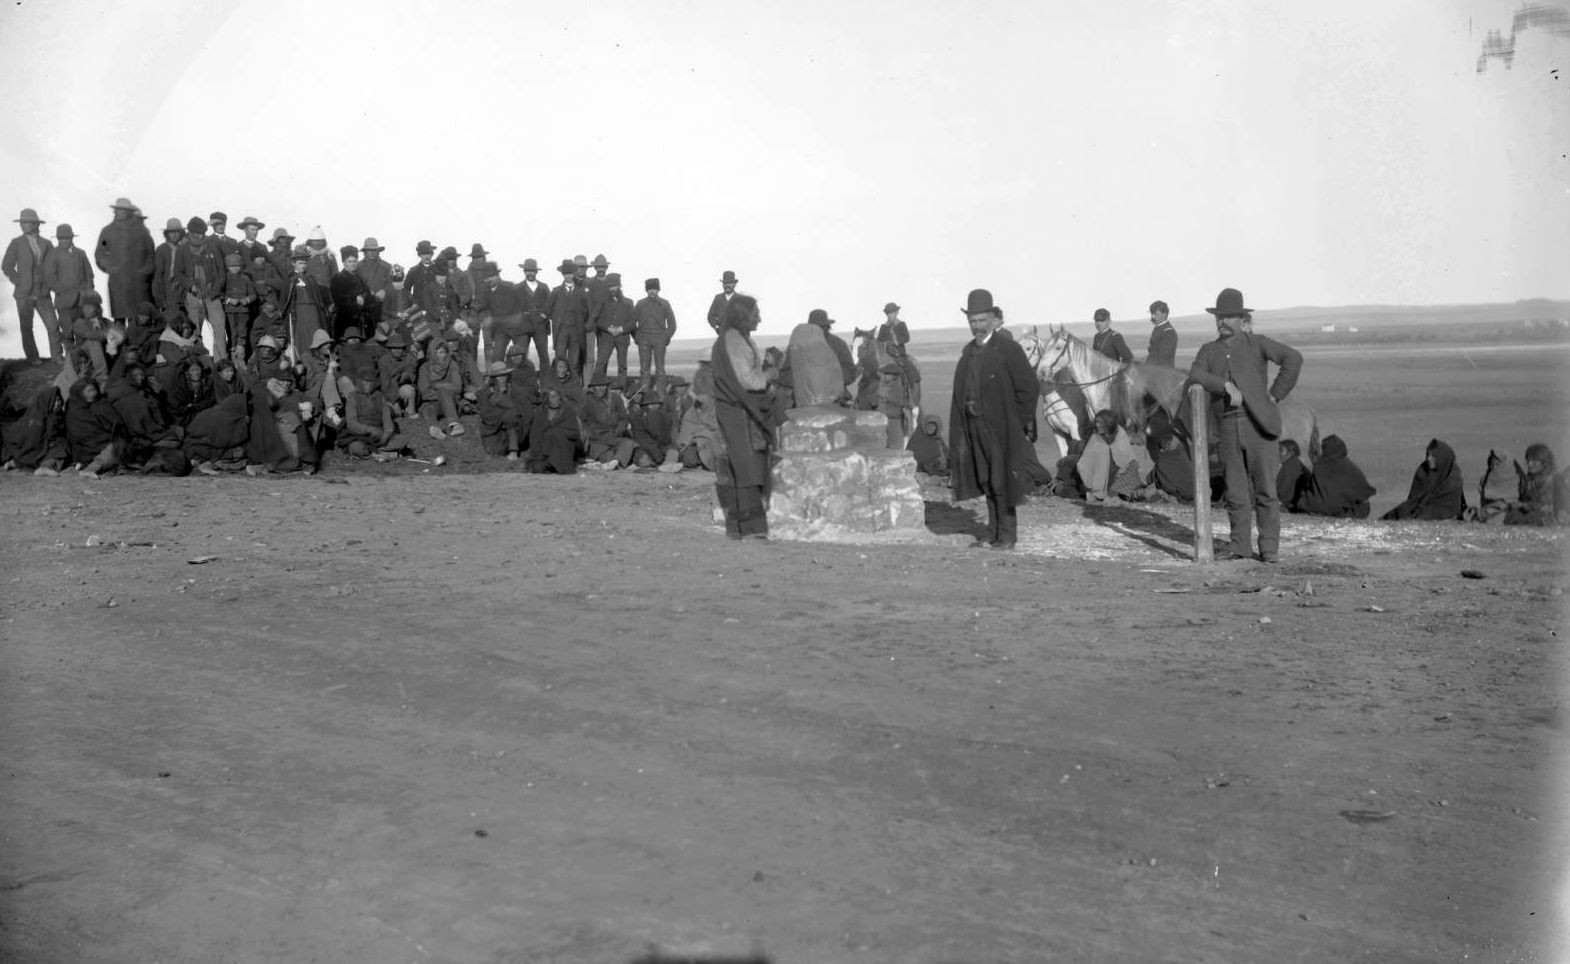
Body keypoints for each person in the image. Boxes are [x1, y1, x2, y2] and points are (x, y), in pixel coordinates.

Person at [1185, 287, 1303, 562]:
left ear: (1241, 319)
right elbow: (1195, 374)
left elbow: (1293, 359)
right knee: (1235, 491)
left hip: (1259, 426)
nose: (1222, 322)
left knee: (1266, 490)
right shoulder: (1209, 350)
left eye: (1228, 317)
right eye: (1219, 317)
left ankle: (1269, 549)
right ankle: (1240, 546)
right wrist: (1223, 384)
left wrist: (1275, 394)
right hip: (1226, 428)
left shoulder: (1256, 343)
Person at [949, 289, 1040, 549]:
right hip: (974, 426)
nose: (977, 326)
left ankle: (1008, 535)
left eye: (981, 320)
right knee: (987, 478)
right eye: (972, 321)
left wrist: (1015, 422)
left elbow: (1028, 388)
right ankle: (992, 532)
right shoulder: (969, 352)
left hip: (1000, 429)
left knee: (1003, 480)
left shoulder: (1008, 349)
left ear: (992, 318)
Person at [711, 293, 780, 539]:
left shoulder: (736, 338)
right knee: (748, 466)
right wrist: (770, 376)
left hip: (738, 412)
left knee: (743, 467)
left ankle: (739, 528)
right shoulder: (735, 341)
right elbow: (748, 380)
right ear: (743, 316)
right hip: (739, 413)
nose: (759, 319)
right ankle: (752, 528)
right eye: (755, 314)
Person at [4, 207, 60, 364]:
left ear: (35, 224)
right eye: (22, 222)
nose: (23, 225)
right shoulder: (16, 243)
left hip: (43, 291)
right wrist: (18, 281)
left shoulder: (47, 244)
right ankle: (33, 358)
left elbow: (53, 268)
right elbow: (6, 266)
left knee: (53, 325)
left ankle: (57, 357)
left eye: (27, 222)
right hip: (23, 293)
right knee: (26, 327)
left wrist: (48, 286)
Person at [173, 215, 230, 359]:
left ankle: (221, 360)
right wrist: (190, 286)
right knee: (194, 329)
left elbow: (221, 271)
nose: (198, 237)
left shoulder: (212, 246)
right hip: (193, 295)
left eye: (201, 234)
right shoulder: (182, 249)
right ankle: (199, 360)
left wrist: (216, 290)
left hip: (212, 294)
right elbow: (178, 273)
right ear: (189, 233)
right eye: (195, 234)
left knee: (219, 326)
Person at [94, 196, 155, 323]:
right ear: (115, 211)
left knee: (139, 322)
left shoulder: (142, 232)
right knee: (119, 322)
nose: (121, 212)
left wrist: (144, 272)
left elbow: (151, 254)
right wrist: (109, 267)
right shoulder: (107, 232)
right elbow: (100, 253)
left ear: (129, 212)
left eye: (124, 210)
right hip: (118, 283)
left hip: (138, 285)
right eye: (119, 210)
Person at [1381, 439, 1467, 521]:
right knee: (1398, 512)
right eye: (1428, 455)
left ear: (1442, 458)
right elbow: (1413, 501)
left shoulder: (1452, 478)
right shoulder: (1423, 472)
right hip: (1419, 509)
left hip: (1440, 512)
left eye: (1433, 456)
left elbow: (1449, 507)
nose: (1429, 459)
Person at [1295, 434, 1376, 518]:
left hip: (1353, 510)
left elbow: (1330, 499)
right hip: (1354, 509)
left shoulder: (1327, 466)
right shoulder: (1345, 464)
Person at [42, 223, 95, 341]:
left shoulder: (81, 253)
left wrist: (88, 291)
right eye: (61, 239)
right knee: (67, 332)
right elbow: (49, 277)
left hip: (82, 301)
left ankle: (84, 358)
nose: (64, 241)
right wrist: (62, 290)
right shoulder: (53, 254)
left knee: (83, 331)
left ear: (72, 238)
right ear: (57, 239)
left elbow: (89, 274)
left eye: (66, 238)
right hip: (64, 302)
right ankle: (70, 358)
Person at [1, 386, 69, 475]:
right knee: (60, 450)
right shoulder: (39, 417)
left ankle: (15, 463)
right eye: (55, 401)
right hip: (36, 446)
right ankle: (46, 467)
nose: (58, 403)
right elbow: (39, 436)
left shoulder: (54, 414)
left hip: (36, 448)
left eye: (59, 400)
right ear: (47, 402)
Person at [338, 373, 400, 460]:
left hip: (379, 435)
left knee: (401, 440)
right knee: (356, 447)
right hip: (360, 436)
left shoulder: (380, 396)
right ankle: (382, 454)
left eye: (370, 382)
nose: (368, 385)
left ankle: (378, 452)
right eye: (365, 382)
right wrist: (369, 430)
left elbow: (388, 423)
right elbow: (352, 424)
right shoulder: (353, 396)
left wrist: (384, 438)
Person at [547, 259, 591, 378]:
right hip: (561, 330)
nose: (569, 276)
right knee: (560, 360)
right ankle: (558, 386)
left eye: (571, 273)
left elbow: (586, 311)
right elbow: (548, 310)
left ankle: (574, 387)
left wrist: (580, 321)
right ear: (563, 275)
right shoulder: (556, 292)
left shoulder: (581, 292)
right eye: (566, 274)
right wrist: (558, 318)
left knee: (574, 361)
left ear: (574, 274)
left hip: (576, 331)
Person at [475, 361, 528, 460]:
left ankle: (513, 451)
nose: (502, 379)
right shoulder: (484, 392)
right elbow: (486, 415)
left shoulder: (513, 389)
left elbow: (518, 409)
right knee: (494, 450)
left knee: (512, 415)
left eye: (504, 376)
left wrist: (501, 399)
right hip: (492, 429)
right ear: (493, 378)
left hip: (513, 427)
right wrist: (504, 412)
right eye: (498, 376)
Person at [1505, 443, 1566, 526]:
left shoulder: (1556, 479)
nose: (1529, 464)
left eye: (1534, 461)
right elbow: (1522, 501)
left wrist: (1526, 506)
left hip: (1549, 516)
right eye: (1528, 460)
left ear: (1544, 462)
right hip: (1529, 514)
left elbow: (1561, 505)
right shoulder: (1526, 480)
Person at [418, 338, 467, 440]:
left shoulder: (452, 365)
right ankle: (435, 429)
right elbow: (424, 392)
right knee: (428, 409)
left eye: (444, 352)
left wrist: (437, 387)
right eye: (439, 353)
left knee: (443, 391)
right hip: (434, 402)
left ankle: (455, 424)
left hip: (451, 402)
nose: (443, 356)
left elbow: (457, 388)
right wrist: (442, 391)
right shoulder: (425, 368)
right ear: (433, 353)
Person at [591, 273, 635, 382]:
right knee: (600, 364)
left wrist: (621, 329)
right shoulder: (601, 302)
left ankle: (621, 389)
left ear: (619, 286)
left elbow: (632, 322)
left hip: (622, 338)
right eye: (610, 286)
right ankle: (596, 387)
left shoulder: (628, 303)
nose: (612, 289)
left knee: (622, 366)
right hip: (606, 338)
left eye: (615, 286)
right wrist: (608, 328)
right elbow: (597, 319)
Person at [526, 387, 581, 474]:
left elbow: (574, 433)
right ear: (546, 399)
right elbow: (535, 435)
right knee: (537, 468)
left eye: (556, 396)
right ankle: (550, 464)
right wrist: (537, 454)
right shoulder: (540, 412)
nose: (555, 399)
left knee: (555, 434)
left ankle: (559, 465)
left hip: (563, 450)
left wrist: (557, 432)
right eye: (551, 397)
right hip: (544, 453)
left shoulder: (568, 411)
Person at [632, 278, 678, 377]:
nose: (652, 291)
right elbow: (632, 322)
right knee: (644, 369)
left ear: (658, 290)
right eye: (649, 289)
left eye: (654, 289)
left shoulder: (665, 304)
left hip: (659, 338)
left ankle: (661, 392)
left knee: (660, 369)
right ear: (646, 290)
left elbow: (672, 324)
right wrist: (637, 337)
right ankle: (644, 390)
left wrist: (666, 337)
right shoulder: (640, 304)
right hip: (644, 338)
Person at [219, 252, 259, 362]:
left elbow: (253, 294)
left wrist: (247, 299)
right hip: (229, 311)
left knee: (242, 331)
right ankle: (232, 356)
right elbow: (219, 294)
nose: (235, 268)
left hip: (243, 311)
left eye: (237, 266)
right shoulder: (224, 278)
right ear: (227, 267)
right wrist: (228, 300)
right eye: (232, 266)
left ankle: (241, 355)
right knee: (231, 332)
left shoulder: (245, 279)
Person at [515, 258, 553, 369]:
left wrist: (544, 315)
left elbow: (550, 305)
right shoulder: (517, 288)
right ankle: (523, 382)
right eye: (527, 271)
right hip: (523, 326)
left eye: (532, 271)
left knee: (544, 356)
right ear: (524, 272)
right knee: (520, 356)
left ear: (536, 272)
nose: (530, 273)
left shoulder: (543, 287)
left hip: (540, 325)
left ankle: (546, 383)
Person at [329, 245, 370, 340]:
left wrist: (365, 300)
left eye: (355, 261)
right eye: (349, 261)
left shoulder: (360, 279)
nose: (353, 264)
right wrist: (355, 299)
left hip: (360, 321)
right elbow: (338, 299)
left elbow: (367, 296)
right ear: (344, 262)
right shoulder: (337, 278)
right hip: (344, 320)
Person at [1475, 445, 1520, 523]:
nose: (1494, 467)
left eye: (1498, 464)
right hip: (1487, 511)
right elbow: (1481, 490)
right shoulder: (1486, 476)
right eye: (1492, 464)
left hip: (1503, 513)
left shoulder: (1512, 478)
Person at [151, 217, 186, 312]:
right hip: (168, 290)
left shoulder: (184, 249)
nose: (175, 235)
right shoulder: (161, 250)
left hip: (183, 290)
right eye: (172, 232)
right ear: (167, 234)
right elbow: (158, 275)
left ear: (181, 233)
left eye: (177, 232)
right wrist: (160, 298)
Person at [906, 413, 949, 477]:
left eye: (933, 426)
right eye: (929, 425)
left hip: (936, 472)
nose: (931, 428)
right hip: (919, 472)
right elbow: (911, 458)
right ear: (924, 426)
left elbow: (947, 455)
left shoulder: (938, 440)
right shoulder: (916, 438)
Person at [1275, 439, 1308, 510]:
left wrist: (1280, 502)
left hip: (1290, 504)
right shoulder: (1290, 465)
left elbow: (1286, 491)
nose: (1278, 453)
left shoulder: (1292, 465)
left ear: (1291, 453)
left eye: (1281, 450)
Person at [1146, 300, 1177, 367]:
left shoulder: (1168, 332)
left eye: (1155, 314)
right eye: (1152, 314)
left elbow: (1163, 356)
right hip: (1154, 370)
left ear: (1164, 314)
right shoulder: (1158, 328)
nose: (1152, 317)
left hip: (1163, 373)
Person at [706, 269, 739, 334]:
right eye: (725, 283)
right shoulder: (718, 298)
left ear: (734, 284)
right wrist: (716, 327)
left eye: (729, 283)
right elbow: (710, 316)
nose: (727, 285)